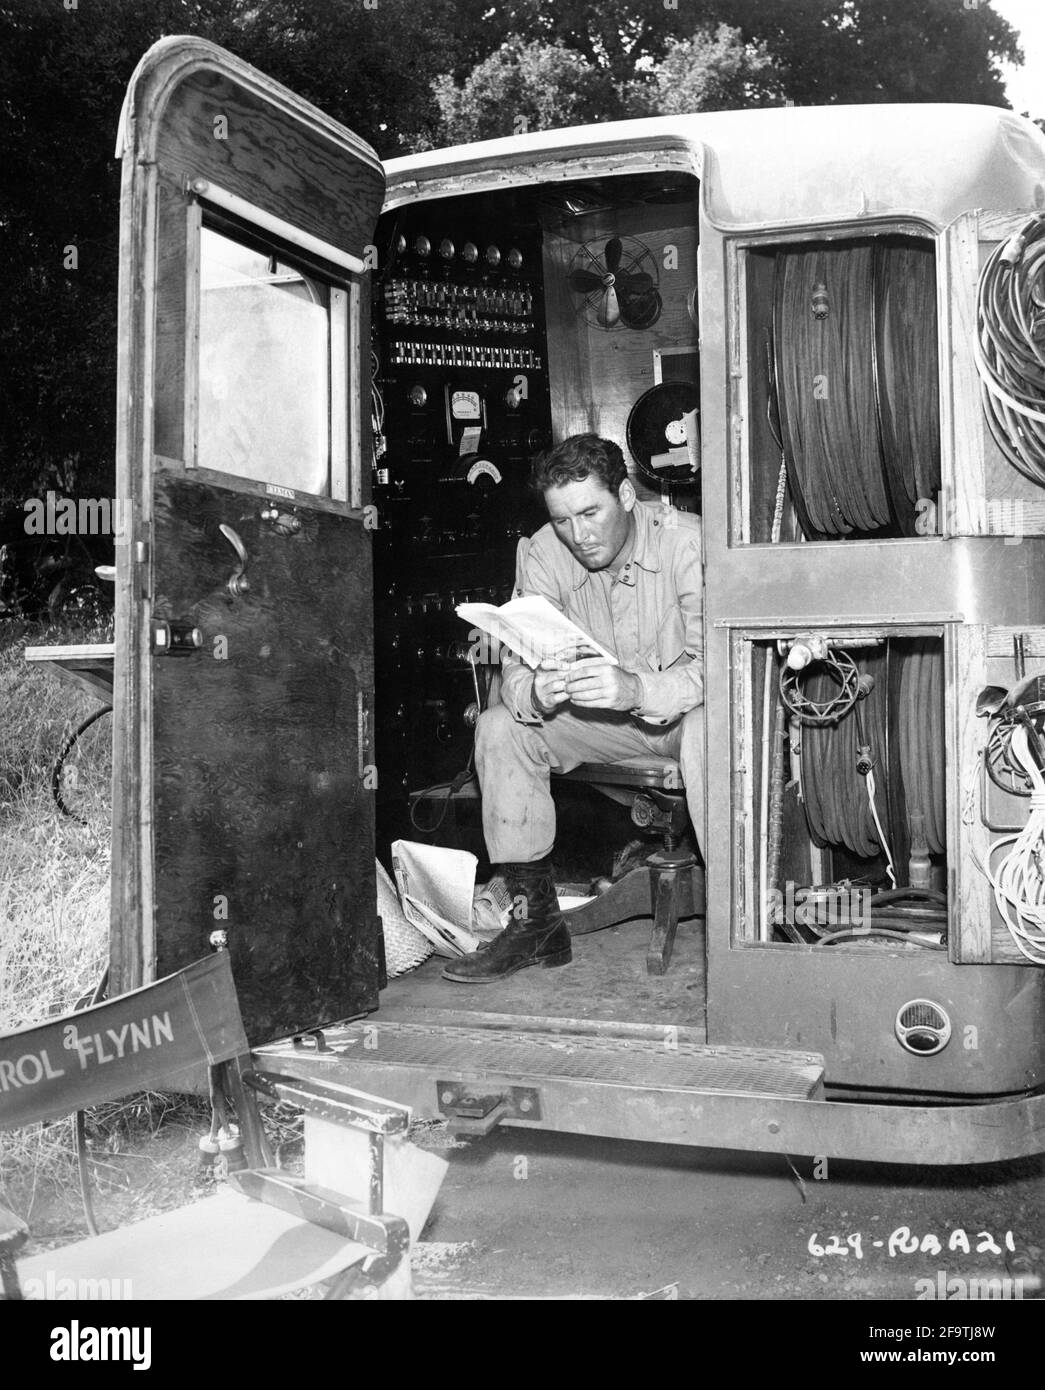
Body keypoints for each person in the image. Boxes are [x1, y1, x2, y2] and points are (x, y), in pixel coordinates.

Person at [443, 433, 705, 984]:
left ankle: (737, 920)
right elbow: (512, 665)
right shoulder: (544, 550)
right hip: (599, 725)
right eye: (563, 519)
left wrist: (636, 690)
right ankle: (536, 923)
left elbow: (722, 672)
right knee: (498, 728)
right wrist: (532, 692)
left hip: (685, 719)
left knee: (709, 732)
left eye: (591, 513)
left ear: (627, 496)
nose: (579, 535)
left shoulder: (688, 545)